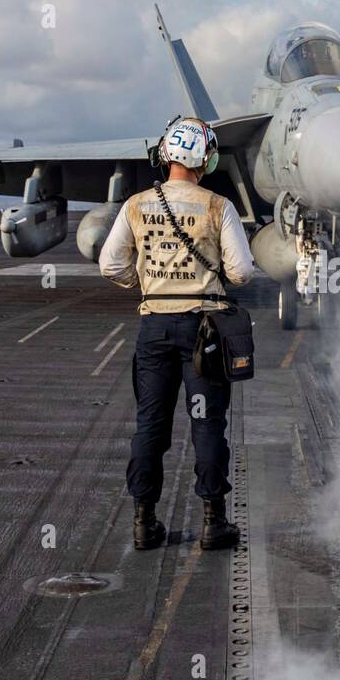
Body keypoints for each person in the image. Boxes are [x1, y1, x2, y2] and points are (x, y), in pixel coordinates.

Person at [99, 116, 255, 551]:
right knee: (206, 423)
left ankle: (144, 524)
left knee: (150, 424)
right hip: (203, 331)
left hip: (154, 328)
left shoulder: (135, 205)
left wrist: (148, 286)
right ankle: (213, 523)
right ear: (207, 159)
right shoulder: (217, 206)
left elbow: (109, 264)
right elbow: (241, 272)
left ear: (166, 154)